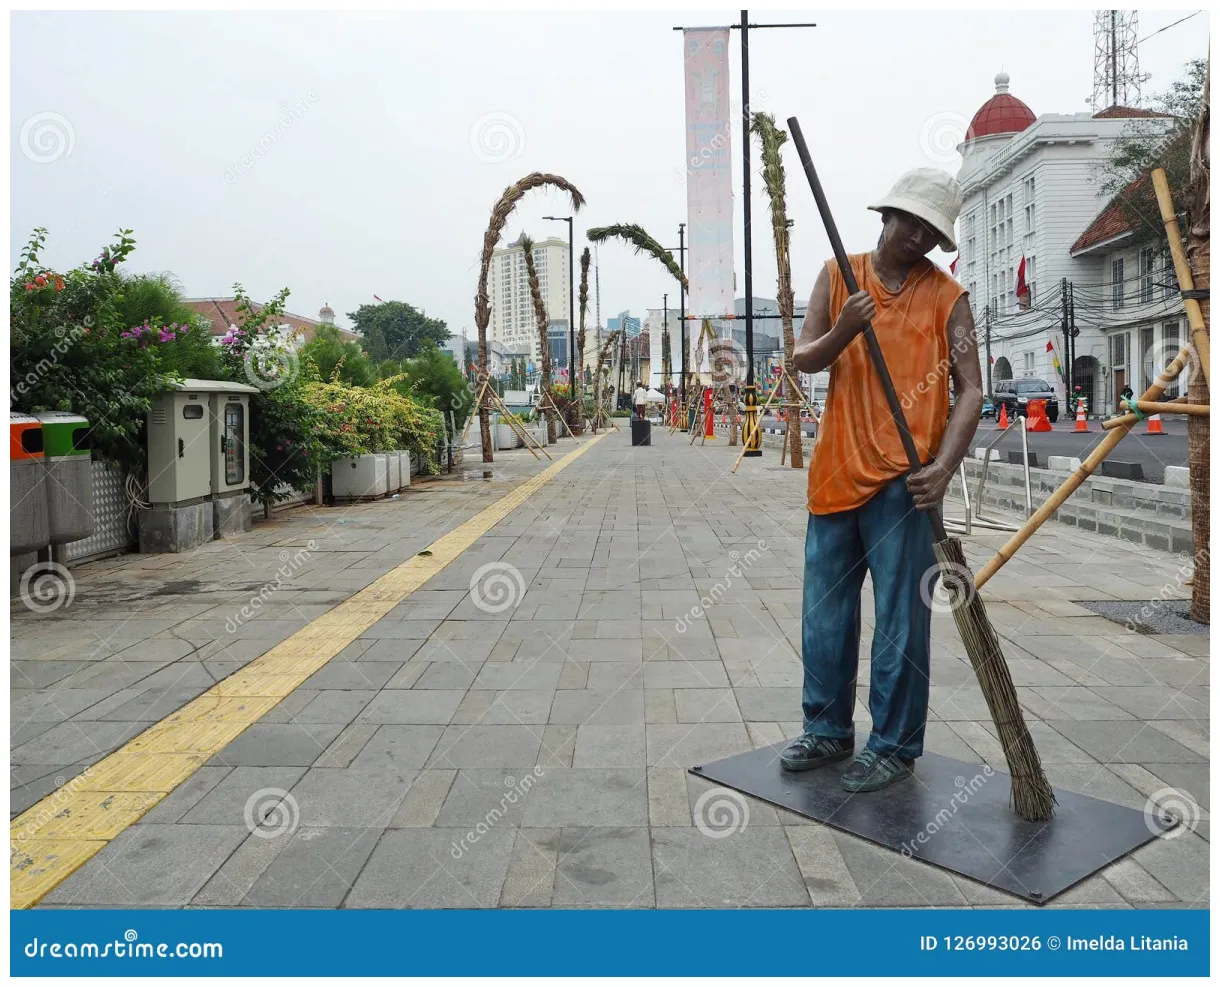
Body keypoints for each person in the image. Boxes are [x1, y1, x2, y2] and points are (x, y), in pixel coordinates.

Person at [786, 167, 983, 793]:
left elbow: (972, 389)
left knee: (902, 619)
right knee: (825, 614)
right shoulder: (839, 274)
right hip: (835, 477)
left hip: (905, 486)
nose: (918, 238)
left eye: (931, 231)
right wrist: (847, 326)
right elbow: (802, 357)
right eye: (911, 224)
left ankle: (894, 744)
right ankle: (826, 728)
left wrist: (944, 468)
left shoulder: (948, 297)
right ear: (886, 216)